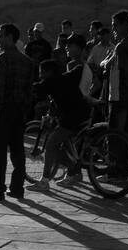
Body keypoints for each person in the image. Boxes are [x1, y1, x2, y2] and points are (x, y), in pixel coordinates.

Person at [0, 22, 35, 202]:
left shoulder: (3, 58)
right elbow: (29, 90)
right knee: (18, 151)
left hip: (4, 110)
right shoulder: (27, 61)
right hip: (19, 111)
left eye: (1, 35)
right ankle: (17, 188)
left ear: (10, 37)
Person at [30, 36, 94, 189]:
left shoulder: (78, 69)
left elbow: (53, 85)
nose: (66, 50)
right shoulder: (73, 69)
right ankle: (75, 172)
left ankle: (45, 181)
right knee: (61, 144)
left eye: (69, 47)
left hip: (74, 115)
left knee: (52, 143)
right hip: (74, 112)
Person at [105, 10, 128, 137]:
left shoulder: (121, 47)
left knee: (116, 134)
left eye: (116, 25)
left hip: (120, 95)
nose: (113, 29)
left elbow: (127, 73)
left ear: (126, 25)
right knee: (126, 132)